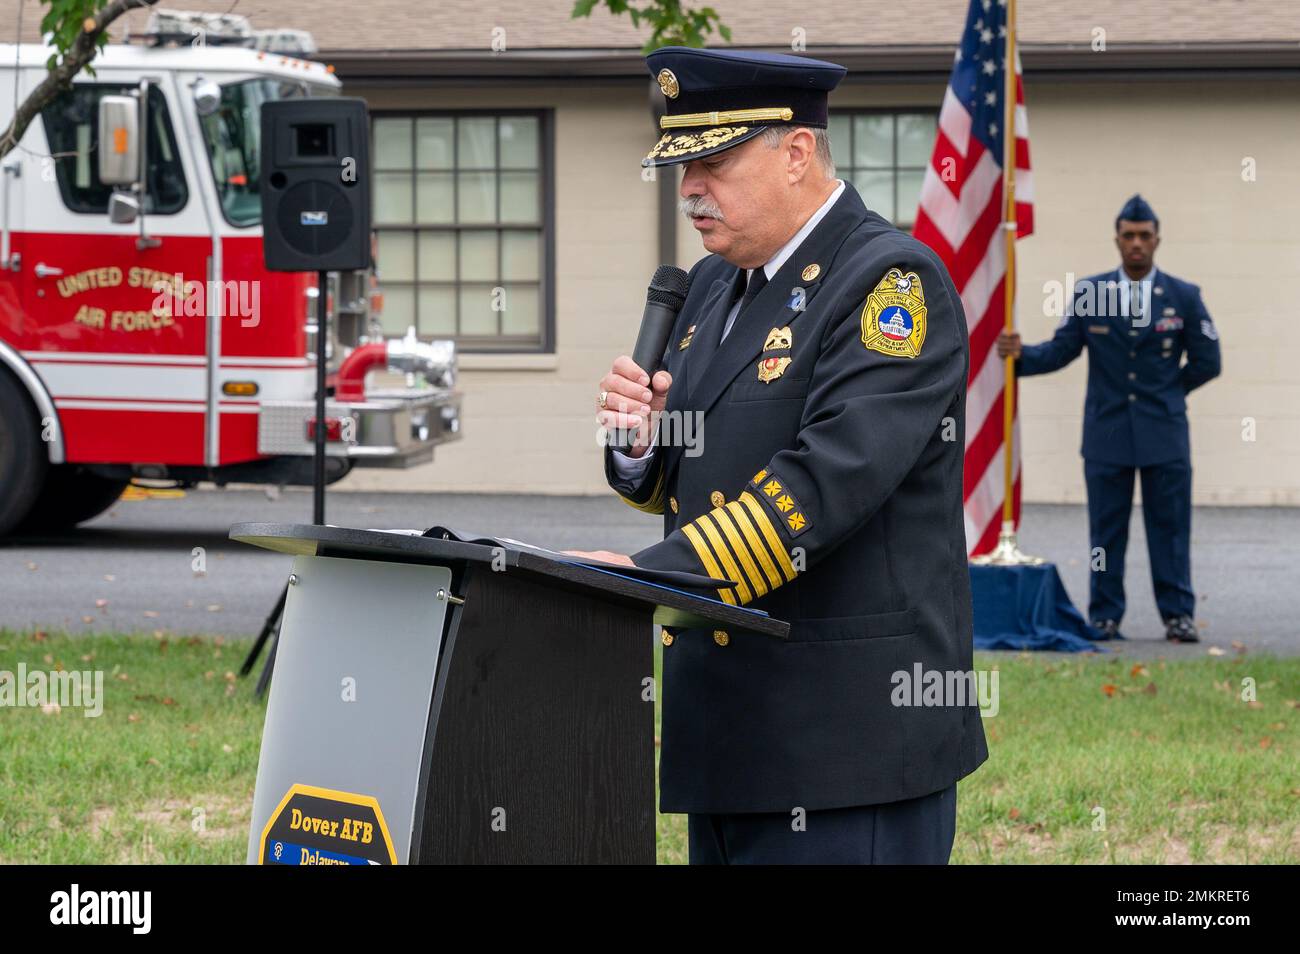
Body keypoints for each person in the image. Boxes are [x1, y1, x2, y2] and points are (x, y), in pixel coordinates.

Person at [569, 46, 987, 864]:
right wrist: (642, 444)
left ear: (796, 152)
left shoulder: (890, 283)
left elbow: (824, 486)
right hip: (726, 738)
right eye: (681, 164)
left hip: (844, 750)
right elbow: (698, 478)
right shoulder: (714, 288)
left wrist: (639, 577)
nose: (689, 188)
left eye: (713, 162)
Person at [997, 195, 1222, 642]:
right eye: (1128, 236)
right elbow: (1062, 350)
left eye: (1144, 236)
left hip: (1164, 433)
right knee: (1106, 532)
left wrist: (1170, 393)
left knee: (1170, 529)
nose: (1136, 243)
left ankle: (1178, 614)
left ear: (1157, 240)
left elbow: (1208, 361)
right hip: (1107, 434)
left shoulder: (1184, 296)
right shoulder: (1089, 293)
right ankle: (1104, 615)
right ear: (1117, 240)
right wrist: (1020, 356)